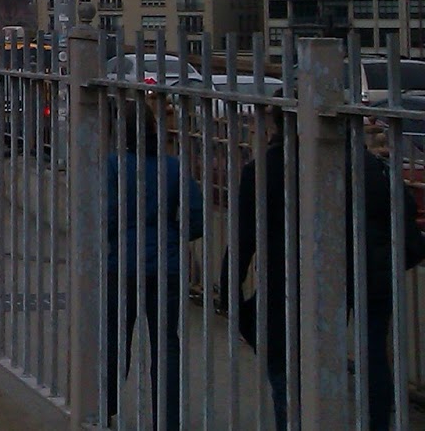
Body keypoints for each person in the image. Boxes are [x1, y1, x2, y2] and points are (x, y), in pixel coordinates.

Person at [223, 109, 423, 430]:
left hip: (308, 276)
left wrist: (229, 294)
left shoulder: (270, 169)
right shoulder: (370, 165)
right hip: (372, 273)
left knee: (291, 359)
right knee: (372, 355)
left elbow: (244, 238)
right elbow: (405, 215)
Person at [105, 100, 202, 431]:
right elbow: (196, 217)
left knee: (116, 340)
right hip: (166, 265)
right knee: (166, 344)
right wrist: (172, 236)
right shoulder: (172, 167)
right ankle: (167, 418)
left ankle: (105, 407)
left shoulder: (114, 166)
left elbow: (106, 215)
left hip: (123, 265)